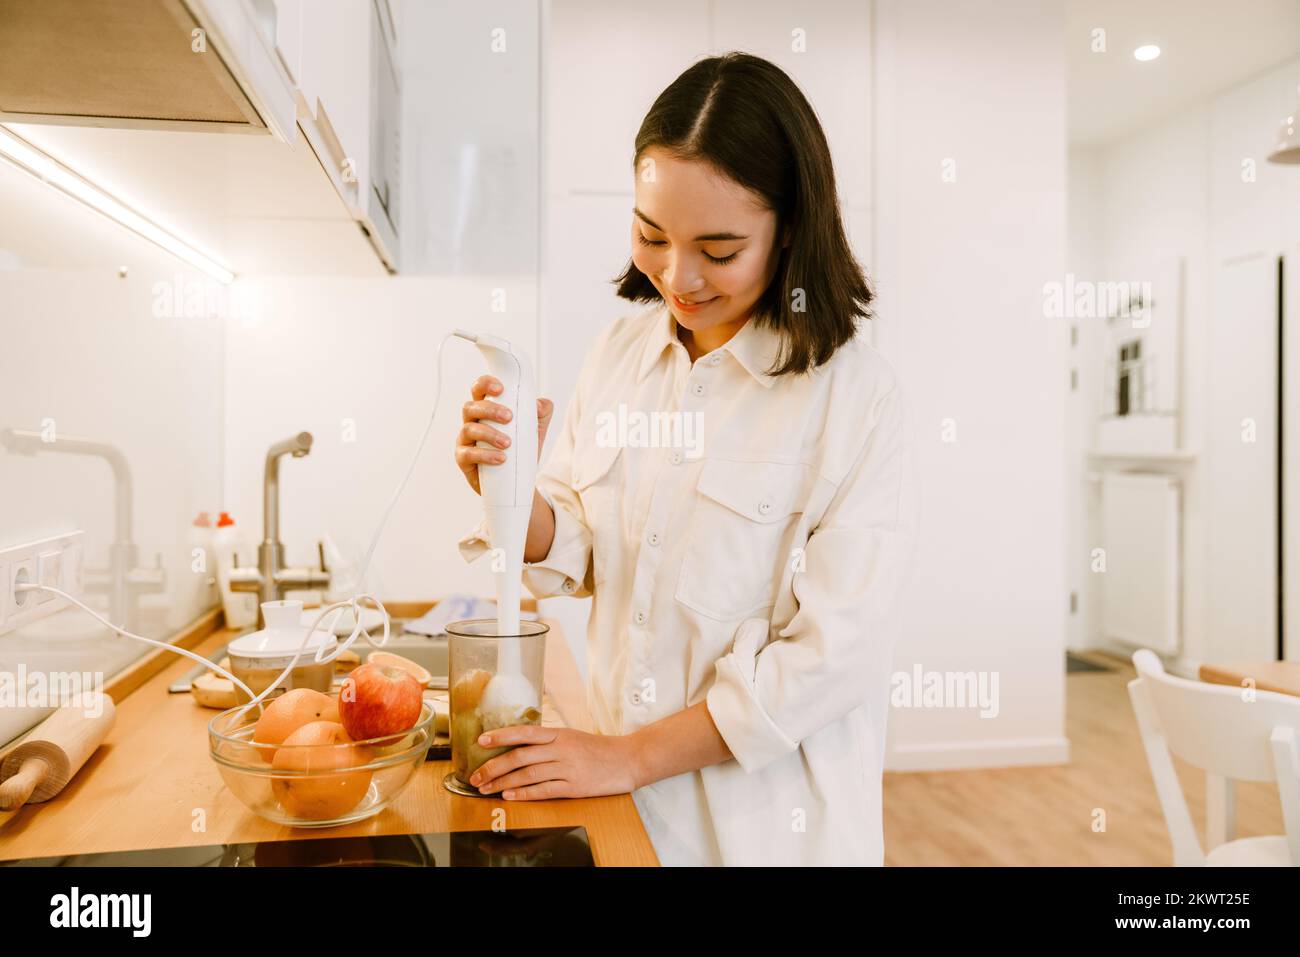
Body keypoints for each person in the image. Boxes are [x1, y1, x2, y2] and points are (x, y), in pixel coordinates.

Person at [455, 51, 920, 866]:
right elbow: (579, 549)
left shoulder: (857, 397)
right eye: (651, 235)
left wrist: (627, 757)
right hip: (622, 813)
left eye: (719, 248)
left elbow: (829, 660)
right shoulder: (620, 350)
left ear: (791, 228)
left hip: (765, 836)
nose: (678, 275)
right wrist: (508, 491)